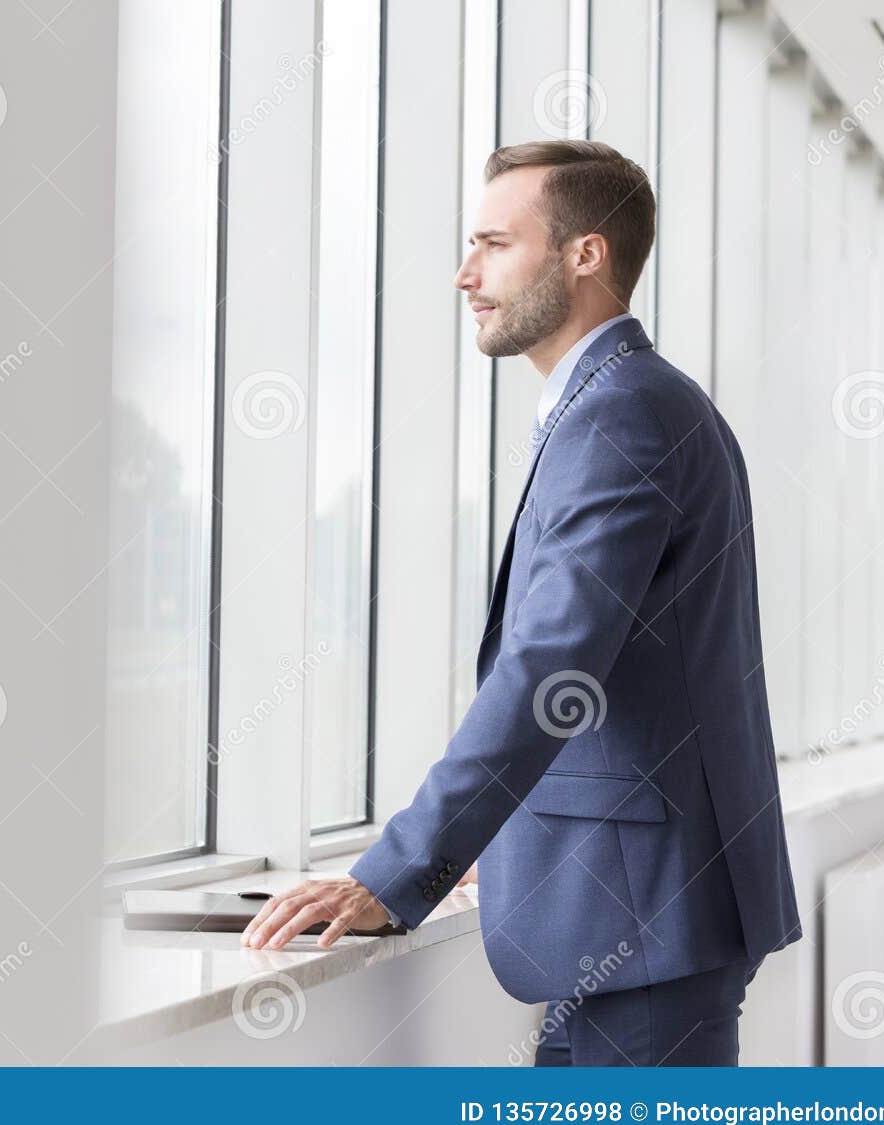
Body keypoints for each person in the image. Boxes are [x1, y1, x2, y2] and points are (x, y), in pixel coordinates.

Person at [240, 139, 801, 1067]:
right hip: (625, 911)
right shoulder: (624, 401)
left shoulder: (624, 411)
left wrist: (400, 869)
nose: (466, 274)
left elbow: (553, 668)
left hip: (642, 919)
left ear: (587, 255)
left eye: (495, 244)